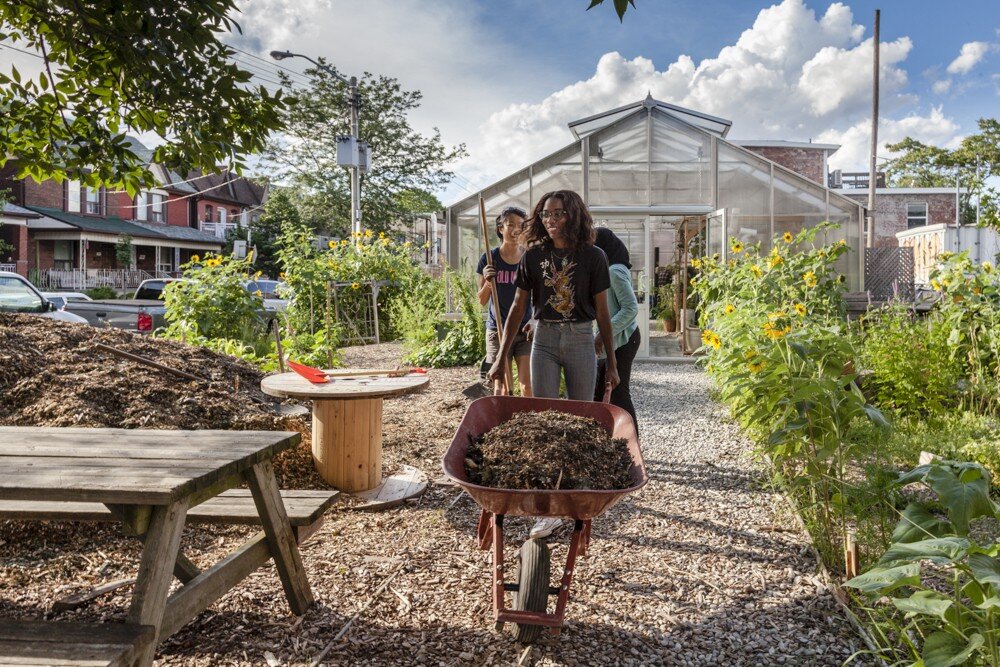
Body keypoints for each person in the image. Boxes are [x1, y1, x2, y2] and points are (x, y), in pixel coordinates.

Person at [489, 190, 619, 400]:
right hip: (543, 340)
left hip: (581, 339)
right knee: (545, 413)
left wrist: (612, 364)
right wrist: (500, 357)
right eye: (545, 214)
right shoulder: (532, 256)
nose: (550, 220)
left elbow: (603, 313)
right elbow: (518, 306)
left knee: (580, 411)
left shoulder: (594, 256)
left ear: (574, 215)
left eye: (558, 214)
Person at [476, 205, 532, 396]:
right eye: (510, 225)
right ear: (501, 228)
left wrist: (535, 321)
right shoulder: (489, 259)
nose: (516, 229)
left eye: (520, 225)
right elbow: (481, 300)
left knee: (527, 385)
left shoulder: (528, 258)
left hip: (525, 330)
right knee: (500, 386)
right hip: (497, 330)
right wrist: (489, 282)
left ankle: (529, 423)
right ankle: (502, 423)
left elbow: (539, 295)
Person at [593, 227, 640, 437]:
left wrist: (604, 333)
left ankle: (632, 441)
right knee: (599, 393)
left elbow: (631, 308)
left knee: (619, 393)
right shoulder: (609, 269)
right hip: (617, 338)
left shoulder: (614, 271)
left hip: (624, 339)